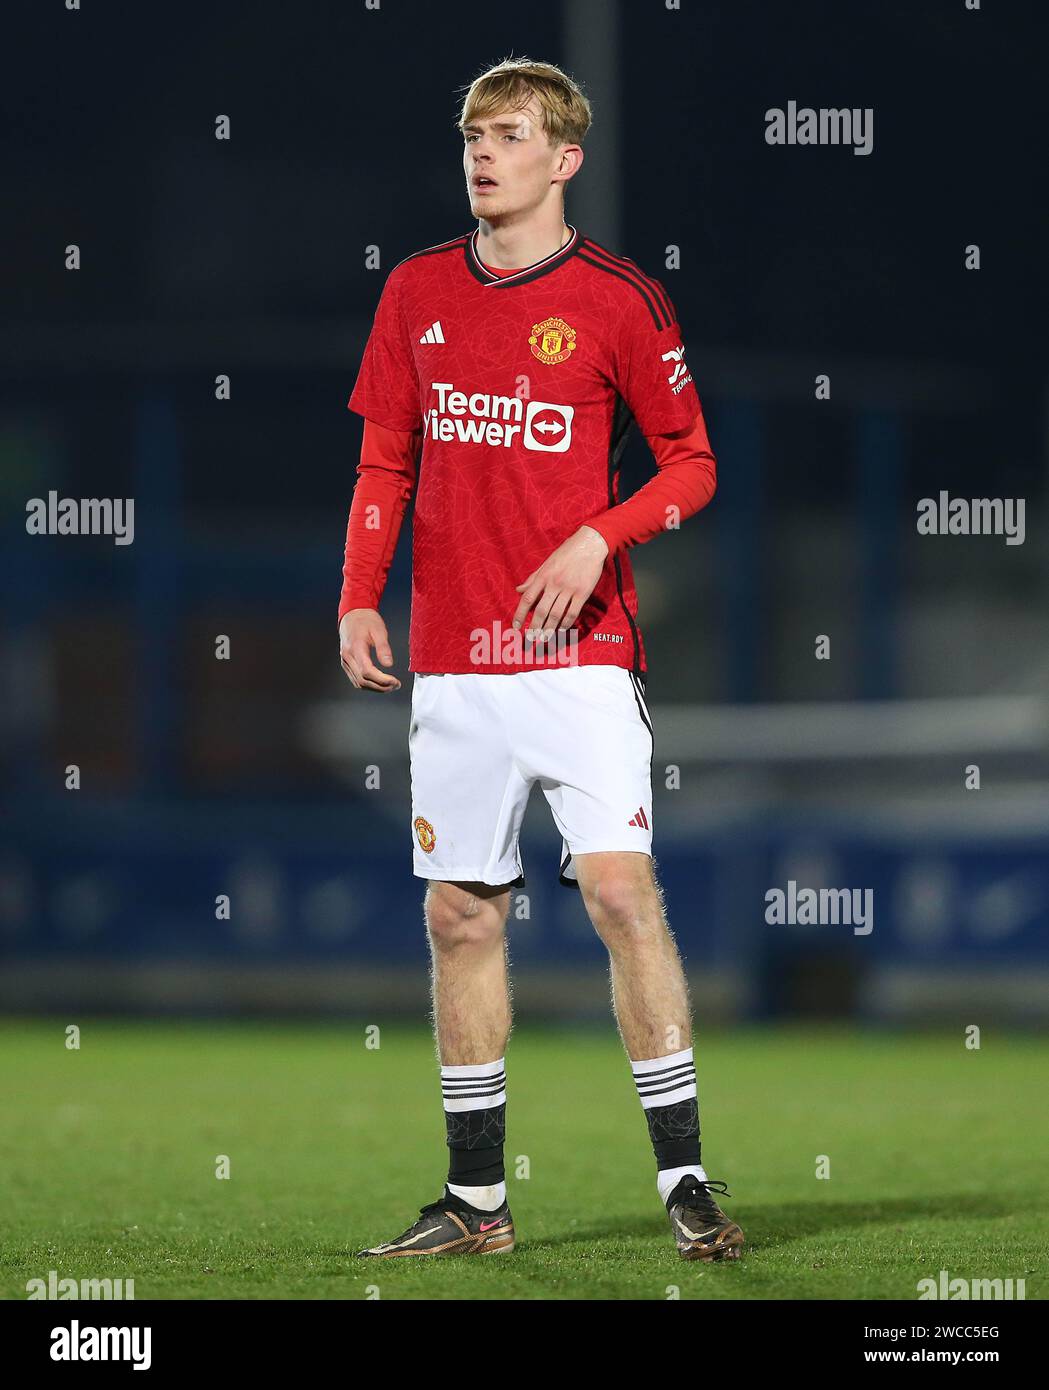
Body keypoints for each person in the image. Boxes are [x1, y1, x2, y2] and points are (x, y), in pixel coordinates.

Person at [339, 56, 742, 1262]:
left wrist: (595, 533)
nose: (482, 153)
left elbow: (692, 465)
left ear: (562, 160)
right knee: (461, 916)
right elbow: (385, 460)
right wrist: (361, 596)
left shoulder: (621, 299)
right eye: (473, 133)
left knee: (619, 891)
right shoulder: (413, 289)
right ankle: (475, 1203)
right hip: (454, 662)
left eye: (508, 135)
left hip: (576, 656)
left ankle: (683, 1177)